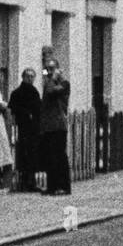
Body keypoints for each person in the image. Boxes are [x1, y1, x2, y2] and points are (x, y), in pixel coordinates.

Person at [39, 58, 72, 196]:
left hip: (58, 125)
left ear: (58, 69)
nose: (49, 71)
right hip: (48, 125)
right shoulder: (48, 84)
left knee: (59, 156)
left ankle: (64, 186)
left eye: (52, 68)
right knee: (49, 156)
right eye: (47, 68)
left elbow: (52, 92)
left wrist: (53, 77)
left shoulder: (64, 84)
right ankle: (52, 186)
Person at [8, 69, 42, 192]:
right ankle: (24, 181)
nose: (30, 78)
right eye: (28, 76)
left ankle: (31, 180)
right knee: (24, 154)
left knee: (33, 154)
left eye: (32, 76)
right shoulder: (16, 93)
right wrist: (26, 114)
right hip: (22, 128)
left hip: (34, 129)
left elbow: (39, 108)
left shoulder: (34, 92)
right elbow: (12, 108)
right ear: (22, 77)